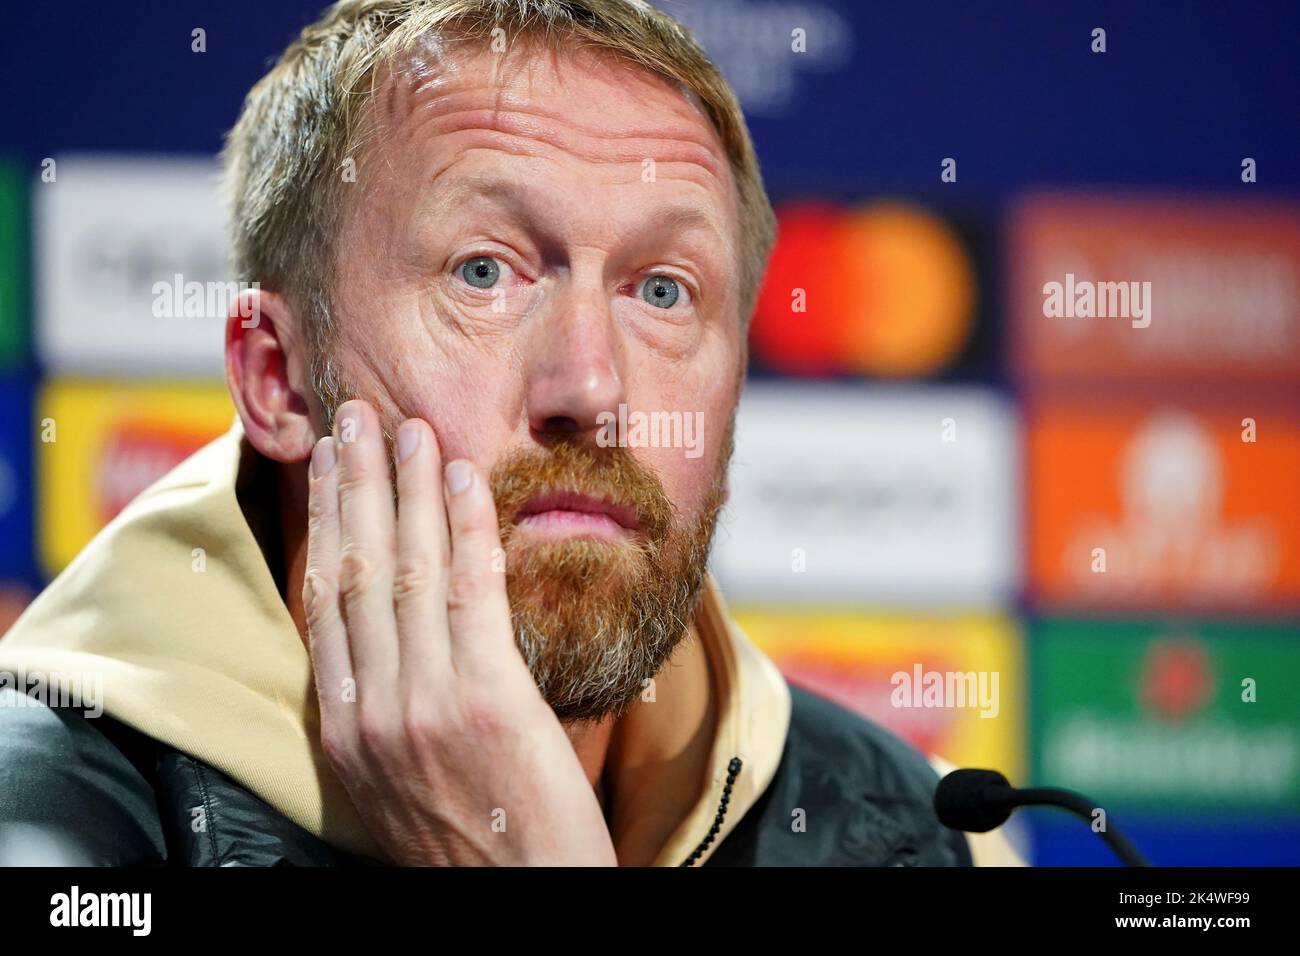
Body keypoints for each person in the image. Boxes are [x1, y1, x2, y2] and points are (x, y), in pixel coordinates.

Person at [0, 0, 1022, 867]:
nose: (591, 388)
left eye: (662, 290)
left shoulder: (926, 836)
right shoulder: (45, 824)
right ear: (277, 380)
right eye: (483, 271)